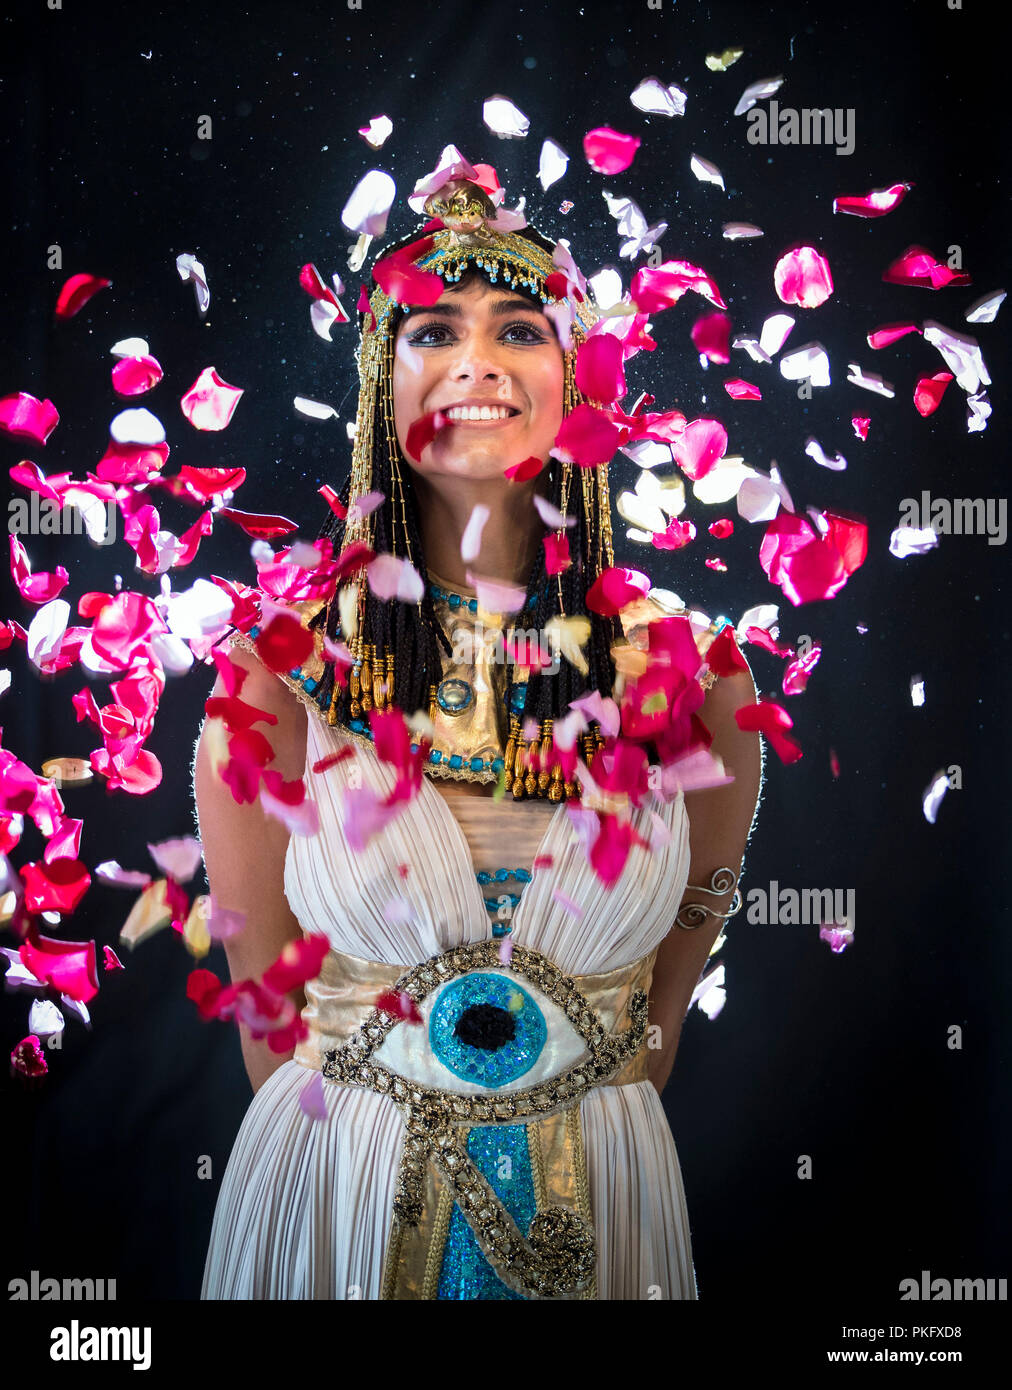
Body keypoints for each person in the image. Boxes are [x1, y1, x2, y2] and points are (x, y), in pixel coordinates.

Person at [194, 150, 762, 1300]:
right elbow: (265, 1003)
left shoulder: (691, 671)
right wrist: (351, 1156)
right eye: (431, 333)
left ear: (576, 376)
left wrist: (592, 1096)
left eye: (517, 330)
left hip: (602, 1186)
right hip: (339, 1192)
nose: (474, 365)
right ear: (380, 382)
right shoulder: (277, 668)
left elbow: (690, 937)